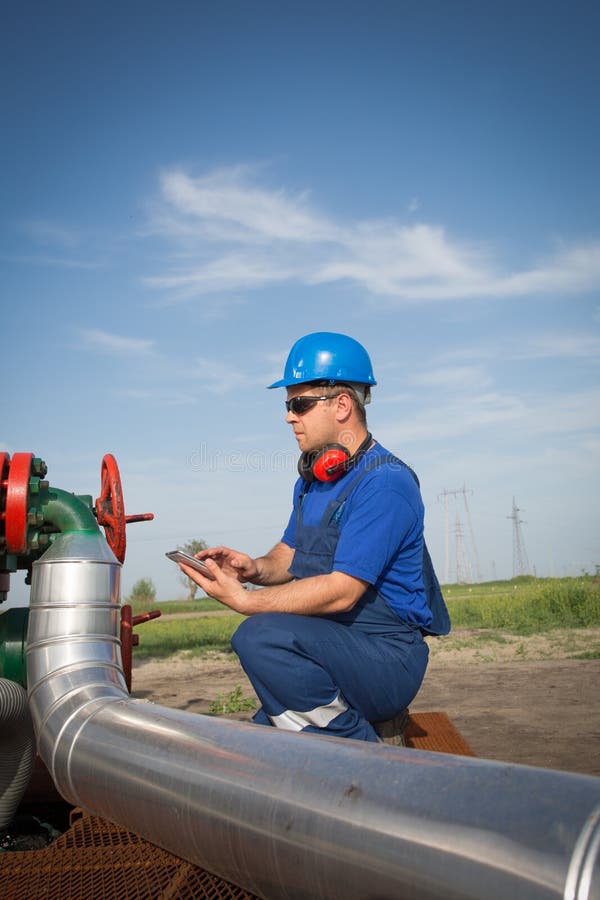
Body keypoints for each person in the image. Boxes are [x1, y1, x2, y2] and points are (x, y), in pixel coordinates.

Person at [179, 332, 449, 742]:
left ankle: (369, 762)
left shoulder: (386, 483)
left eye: (299, 404)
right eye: (288, 406)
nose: (289, 417)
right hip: (333, 643)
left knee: (260, 635)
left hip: (385, 656)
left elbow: (342, 592)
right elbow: (290, 554)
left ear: (342, 405)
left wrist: (247, 601)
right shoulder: (314, 479)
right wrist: (252, 568)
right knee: (257, 745)